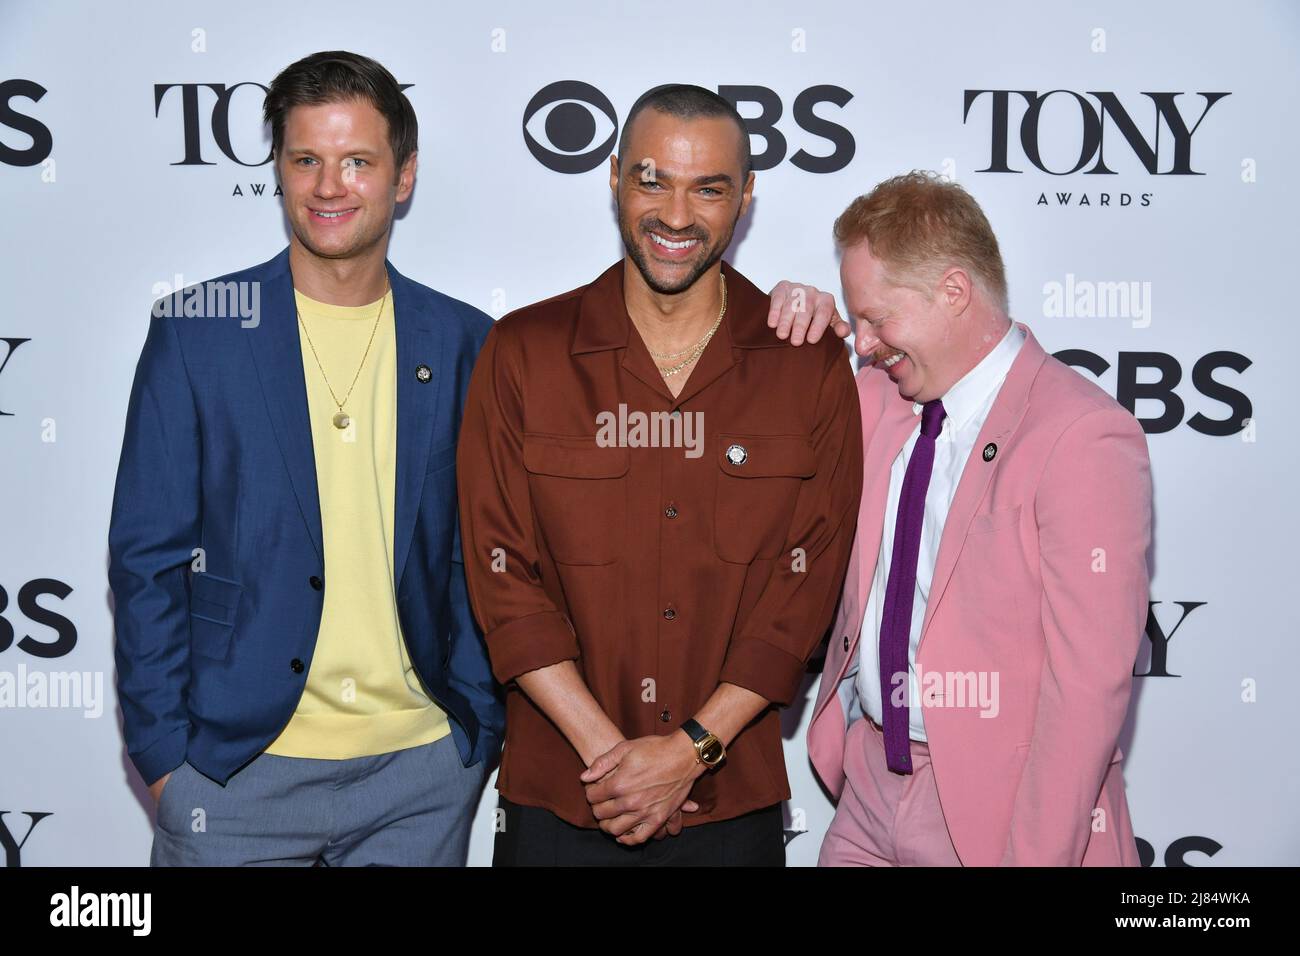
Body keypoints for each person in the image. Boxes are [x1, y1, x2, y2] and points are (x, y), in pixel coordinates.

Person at [109, 51, 502, 866]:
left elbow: (485, 553)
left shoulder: (466, 343)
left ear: (405, 175)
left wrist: (474, 728)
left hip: (420, 772)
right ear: (279, 171)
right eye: (306, 161)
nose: (330, 186)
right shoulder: (199, 331)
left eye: (358, 160)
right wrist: (162, 760)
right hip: (232, 771)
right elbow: (143, 558)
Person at [456, 84, 863, 866]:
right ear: (613, 178)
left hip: (729, 800)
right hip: (561, 800)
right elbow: (502, 578)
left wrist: (688, 752)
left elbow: (801, 594)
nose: (676, 215)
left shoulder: (805, 364)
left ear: (745, 197)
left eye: (708, 187)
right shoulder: (523, 352)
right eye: (652, 180)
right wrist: (616, 762)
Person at [788, 171, 1151, 865]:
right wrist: (777, 311)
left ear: (953, 291)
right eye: (855, 320)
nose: (862, 342)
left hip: (999, 804)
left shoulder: (1082, 435)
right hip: (866, 787)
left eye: (877, 317)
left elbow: (1087, 688)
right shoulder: (877, 396)